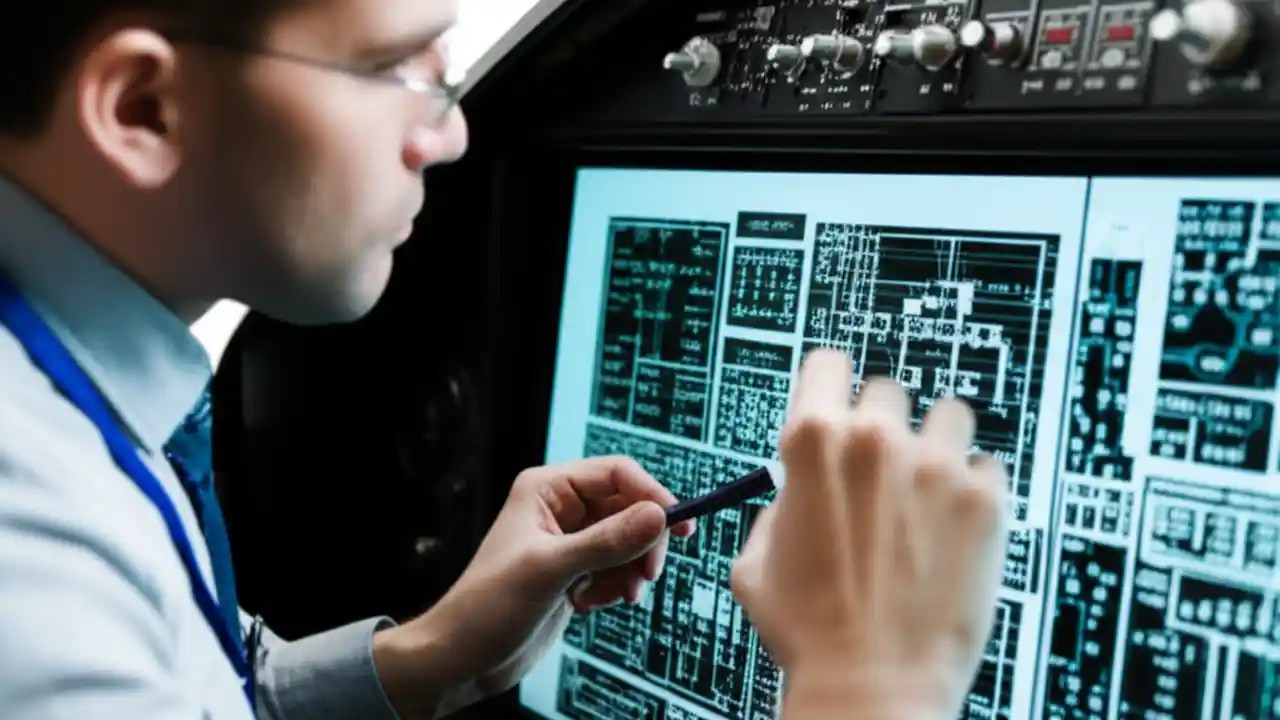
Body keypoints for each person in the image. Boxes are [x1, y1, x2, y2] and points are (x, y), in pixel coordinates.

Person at [0, 1, 1010, 719]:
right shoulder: (32, 570)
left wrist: (429, 661)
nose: (449, 135)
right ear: (141, 110)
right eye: (397, 69)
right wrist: (867, 693)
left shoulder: (71, 397)